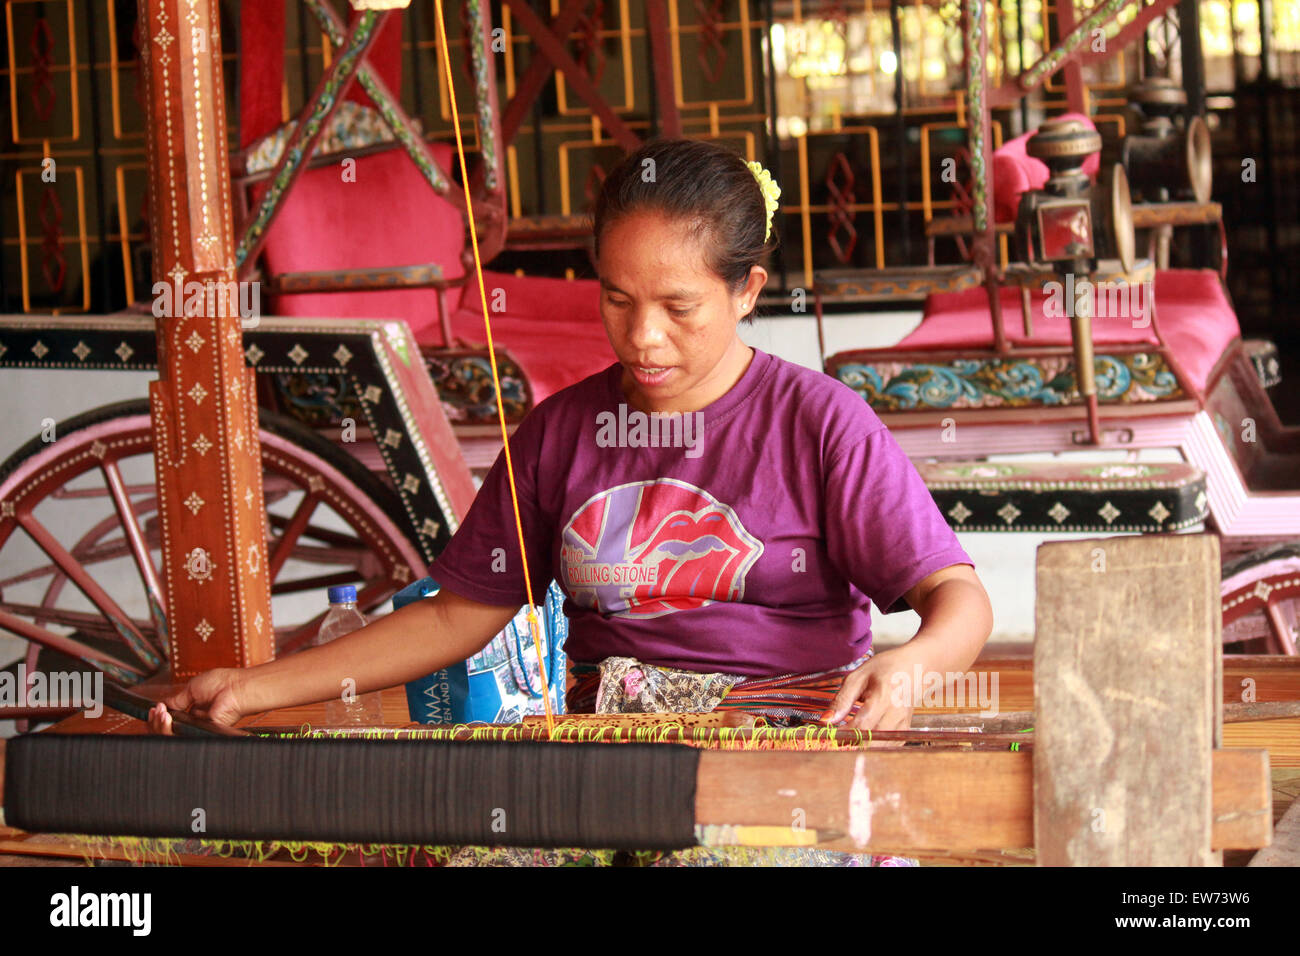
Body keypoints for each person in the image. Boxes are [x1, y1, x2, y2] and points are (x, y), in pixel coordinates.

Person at [150, 138, 993, 866]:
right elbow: (457, 617)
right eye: (617, 300)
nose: (643, 336)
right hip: (600, 762)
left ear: (746, 291)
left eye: (679, 307)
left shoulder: (818, 423)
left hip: (771, 756)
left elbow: (958, 599)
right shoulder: (561, 431)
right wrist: (252, 689)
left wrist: (913, 666)